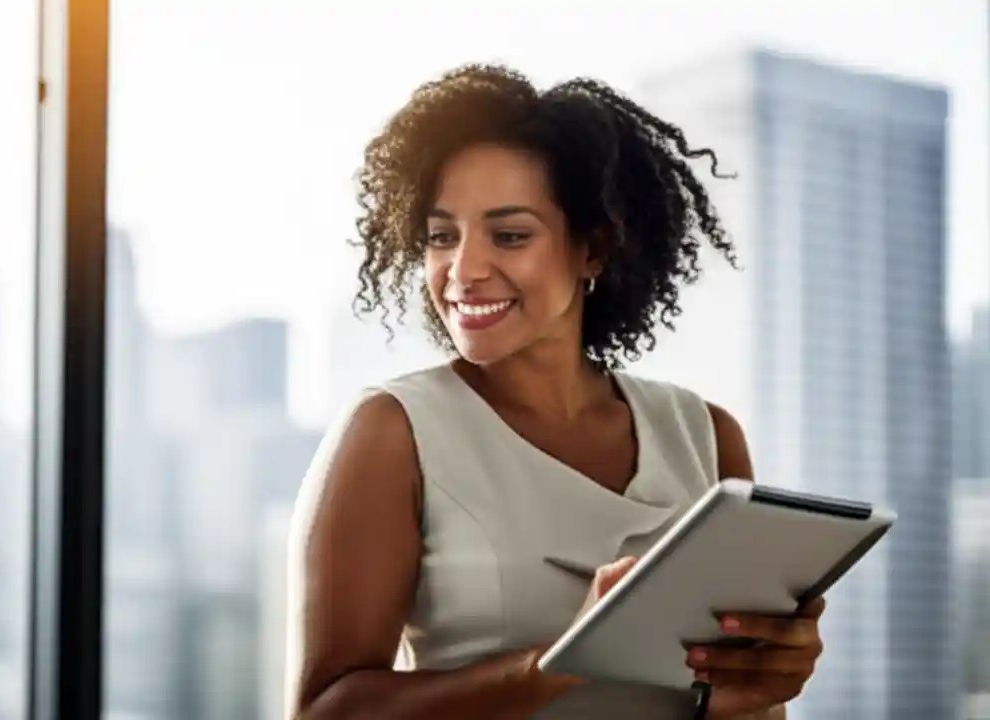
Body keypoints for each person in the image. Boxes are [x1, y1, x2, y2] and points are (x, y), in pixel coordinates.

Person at [284, 64, 827, 719]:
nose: (465, 270)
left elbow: (738, 710)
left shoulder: (704, 435)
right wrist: (561, 663)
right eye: (441, 236)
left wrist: (766, 677)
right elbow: (324, 711)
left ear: (592, 249)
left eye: (509, 235)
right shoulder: (395, 431)